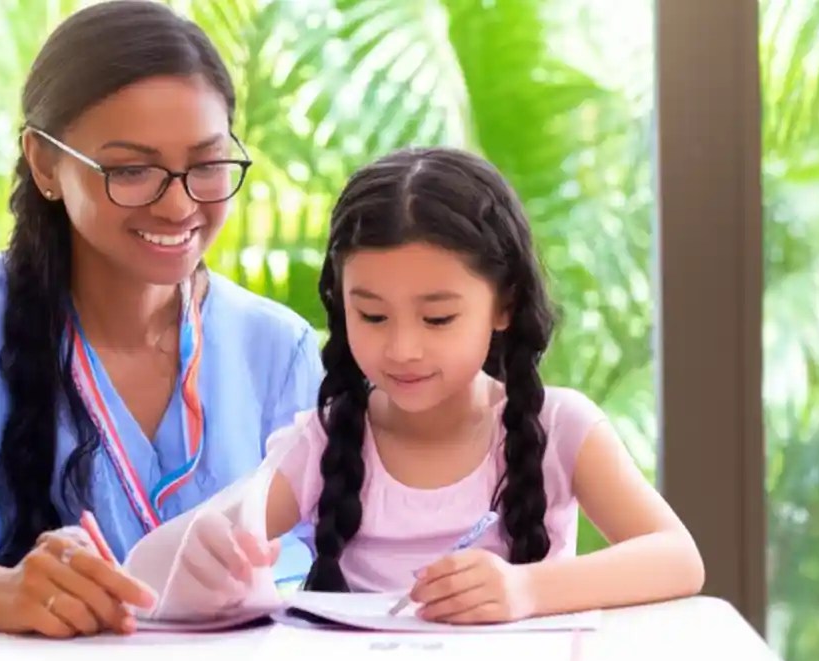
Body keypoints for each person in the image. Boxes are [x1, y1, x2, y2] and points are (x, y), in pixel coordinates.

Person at [0, 0, 321, 639]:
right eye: (131, 170)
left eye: (206, 166)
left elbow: (349, 555)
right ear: (45, 163)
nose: (179, 204)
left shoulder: (275, 347)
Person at [128, 147, 705, 624]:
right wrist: (210, 556)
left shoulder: (560, 427)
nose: (403, 349)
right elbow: (152, 568)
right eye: (373, 317)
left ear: (503, 305)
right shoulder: (326, 440)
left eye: (437, 319)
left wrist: (527, 590)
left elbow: (678, 559)